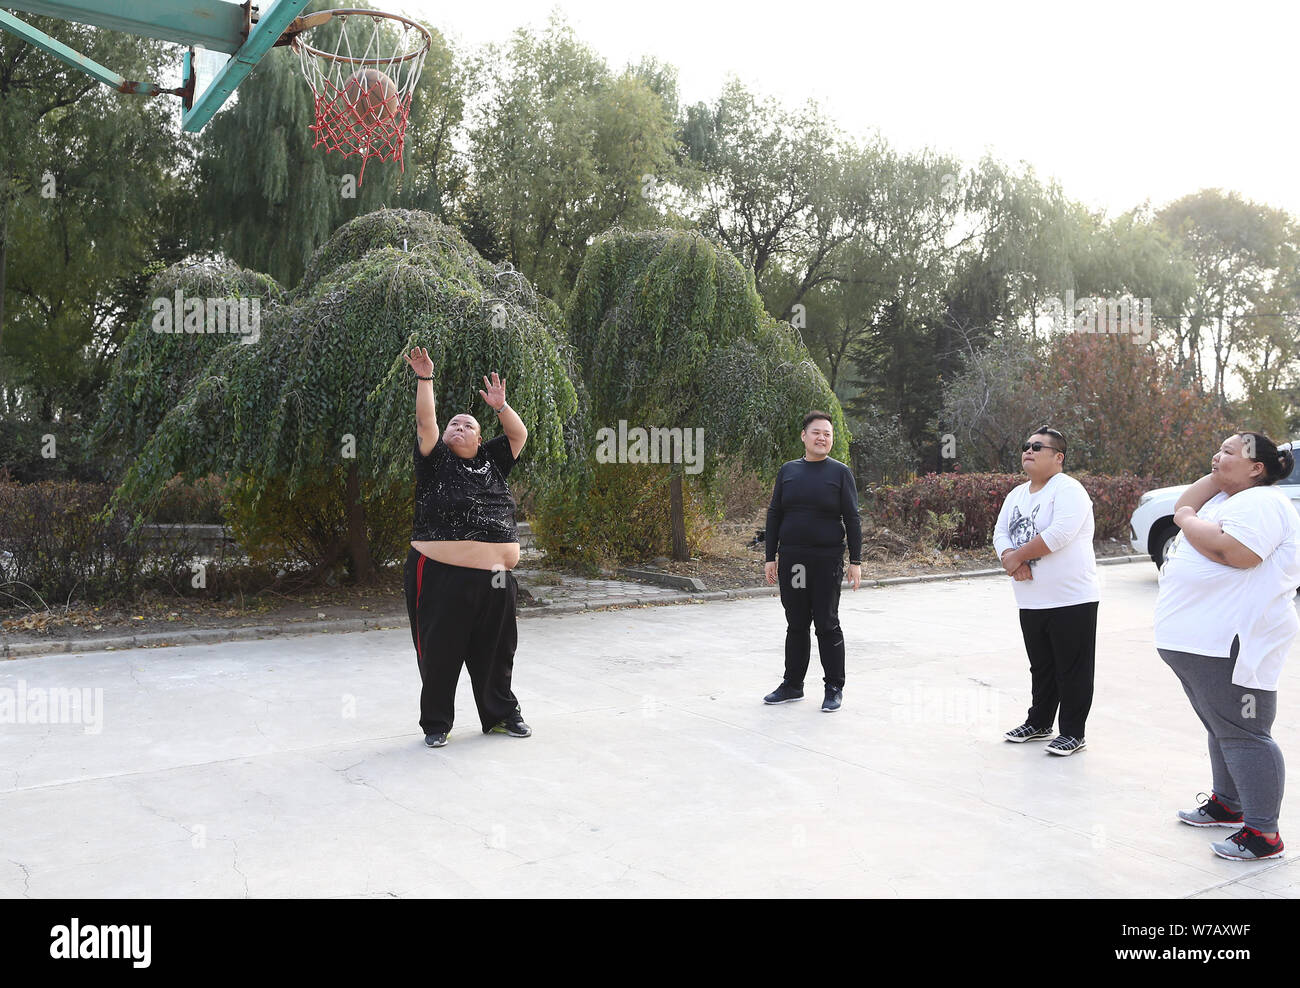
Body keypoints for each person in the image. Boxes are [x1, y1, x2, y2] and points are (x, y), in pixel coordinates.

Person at [1155, 432, 1300, 861]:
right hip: (1199, 644)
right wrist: (1220, 472)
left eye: (1229, 452)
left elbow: (1234, 552)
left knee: (1245, 733)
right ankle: (1227, 804)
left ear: (1257, 469)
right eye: (1217, 449)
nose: (1216, 457)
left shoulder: (1265, 503)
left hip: (1234, 644)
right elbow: (1188, 499)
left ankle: (1263, 834)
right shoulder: (1229, 499)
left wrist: (1184, 520)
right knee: (1222, 728)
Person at [401, 347, 530, 748]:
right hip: (441, 573)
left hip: (495, 577)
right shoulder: (435, 460)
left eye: (467, 424)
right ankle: (437, 723)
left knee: (497, 649)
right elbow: (426, 422)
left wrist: (501, 406)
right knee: (441, 650)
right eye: (453, 424)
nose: (458, 427)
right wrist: (426, 379)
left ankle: (501, 714)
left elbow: (518, 434)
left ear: (479, 437)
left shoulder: (493, 461)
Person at [993, 427, 1100, 755]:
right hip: (1031, 598)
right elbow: (1000, 532)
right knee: (1041, 667)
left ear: (1058, 457)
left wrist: (1017, 557)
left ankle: (1073, 732)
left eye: (1038, 447)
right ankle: (1039, 722)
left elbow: (1060, 533)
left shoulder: (1069, 489)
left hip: (1072, 598)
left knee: (1072, 668)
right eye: (1026, 446)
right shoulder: (1017, 494)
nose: (1029, 450)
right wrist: (1010, 559)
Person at [762, 411, 862, 712]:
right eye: (816, 432)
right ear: (804, 436)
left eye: (827, 434)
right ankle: (792, 684)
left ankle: (834, 687)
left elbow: (853, 518)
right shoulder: (788, 471)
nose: (822, 438)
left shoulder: (840, 473)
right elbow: (775, 514)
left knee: (827, 623)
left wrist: (855, 560)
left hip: (826, 560)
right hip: (794, 562)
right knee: (796, 623)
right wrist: (770, 556)